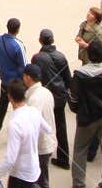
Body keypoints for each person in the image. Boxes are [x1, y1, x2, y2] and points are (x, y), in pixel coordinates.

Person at [19, 65, 68, 188]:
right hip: (47, 141)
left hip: (40, 145)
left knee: (39, 181)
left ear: (27, 77)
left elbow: (32, 123)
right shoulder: (45, 93)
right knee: (40, 179)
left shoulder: (34, 99)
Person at [68, 39, 102, 188]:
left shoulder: (80, 74)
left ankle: (79, 186)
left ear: (88, 54)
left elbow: (73, 97)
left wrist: (77, 110)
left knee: (80, 150)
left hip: (86, 118)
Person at [31, 28, 72, 167]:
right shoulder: (61, 56)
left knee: (41, 125)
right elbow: (68, 79)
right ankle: (64, 157)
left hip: (44, 96)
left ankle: (41, 153)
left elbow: (35, 77)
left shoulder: (37, 58)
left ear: (40, 40)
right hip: (59, 96)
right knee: (61, 127)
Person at [0, 18, 27, 135]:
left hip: (4, 79)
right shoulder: (18, 45)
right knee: (20, 105)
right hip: (17, 81)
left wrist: (1, 71)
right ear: (18, 30)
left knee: (2, 103)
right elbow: (24, 66)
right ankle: (20, 130)